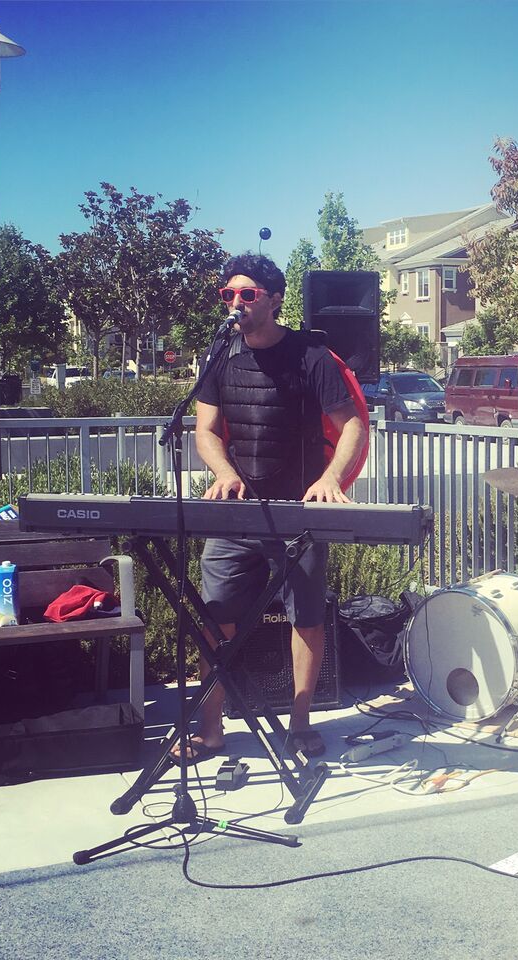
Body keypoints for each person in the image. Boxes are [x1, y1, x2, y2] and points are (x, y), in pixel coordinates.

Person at [176, 253, 367, 762]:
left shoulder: (311, 357)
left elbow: (350, 424)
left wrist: (330, 479)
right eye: (228, 295)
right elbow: (206, 430)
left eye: (248, 294)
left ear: (275, 299)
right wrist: (224, 472)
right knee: (215, 619)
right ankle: (211, 731)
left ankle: (300, 725)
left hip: (296, 513)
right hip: (236, 512)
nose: (236, 303)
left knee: (305, 617)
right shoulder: (219, 356)